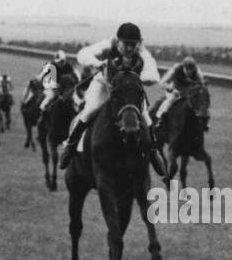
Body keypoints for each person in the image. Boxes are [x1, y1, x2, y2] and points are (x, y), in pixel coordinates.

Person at [58, 23, 162, 170]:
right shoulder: (107, 45)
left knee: (146, 116)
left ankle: (153, 152)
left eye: (134, 44)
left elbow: (154, 76)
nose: (130, 49)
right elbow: (82, 54)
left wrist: (138, 78)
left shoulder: (143, 53)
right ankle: (70, 146)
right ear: (118, 41)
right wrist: (98, 63)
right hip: (104, 86)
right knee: (90, 110)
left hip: (128, 91)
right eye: (126, 44)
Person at [149, 56, 205, 125]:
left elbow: (202, 85)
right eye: (187, 69)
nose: (189, 72)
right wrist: (171, 89)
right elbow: (161, 83)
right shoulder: (176, 69)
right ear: (183, 67)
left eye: (191, 70)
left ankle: (202, 122)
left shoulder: (198, 73)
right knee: (169, 101)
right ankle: (160, 118)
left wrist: (193, 90)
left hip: (188, 92)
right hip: (174, 90)